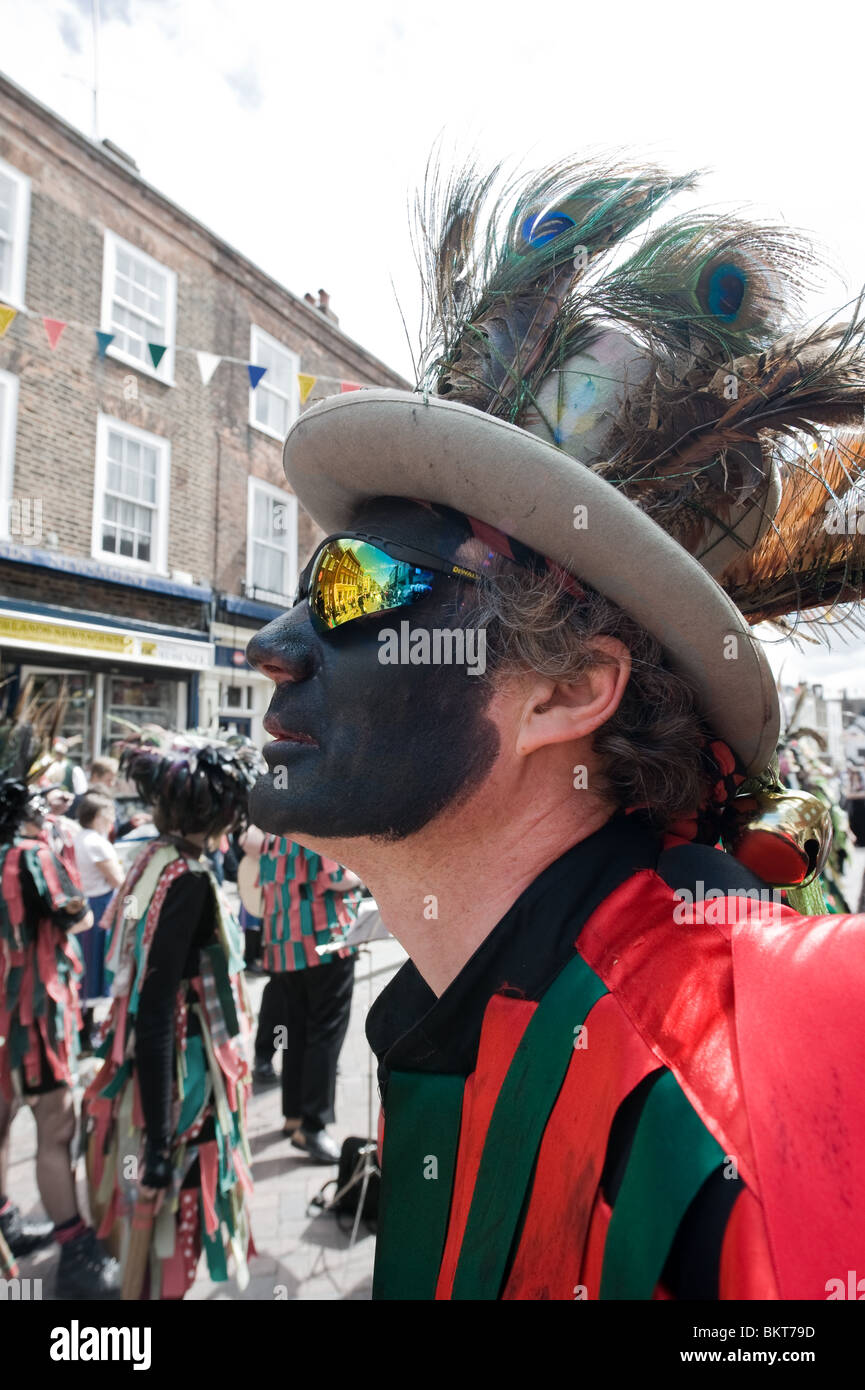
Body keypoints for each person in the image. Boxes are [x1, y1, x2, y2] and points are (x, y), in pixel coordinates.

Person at [245, 155, 865, 1300]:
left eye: (356, 588)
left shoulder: (731, 1132)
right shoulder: (464, 1018)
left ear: (568, 692)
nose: (271, 645)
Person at [83, 733, 260, 1299]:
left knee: (154, 1230)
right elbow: (158, 1009)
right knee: (169, 1227)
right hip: (179, 1084)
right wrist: (161, 1145)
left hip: (148, 1068)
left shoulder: (149, 859)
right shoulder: (186, 881)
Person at [0, 748, 120, 1296]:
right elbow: (78, 911)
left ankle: (5, 1222)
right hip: (33, 1015)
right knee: (55, 1131)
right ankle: (75, 1251)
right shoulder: (31, 854)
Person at [246, 826, 362, 1163]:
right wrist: (361, 874)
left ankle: (294, 1116)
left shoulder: (273, 833)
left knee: (296, 1033)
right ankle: (313, 1125)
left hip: (285, 947)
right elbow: (338, 877)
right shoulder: (316, 826)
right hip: (324, 942)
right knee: (324, 1035)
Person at [73, 792, 124, 1010]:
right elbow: (118, 881)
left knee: (85, 961)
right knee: (96, 963)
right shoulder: (97, 843)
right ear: (96, 817)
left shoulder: (78, 837)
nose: (112, 820)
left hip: (86, 904)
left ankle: (84, 1017)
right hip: (100, 907)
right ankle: (89, 1020)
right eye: (108, 815)